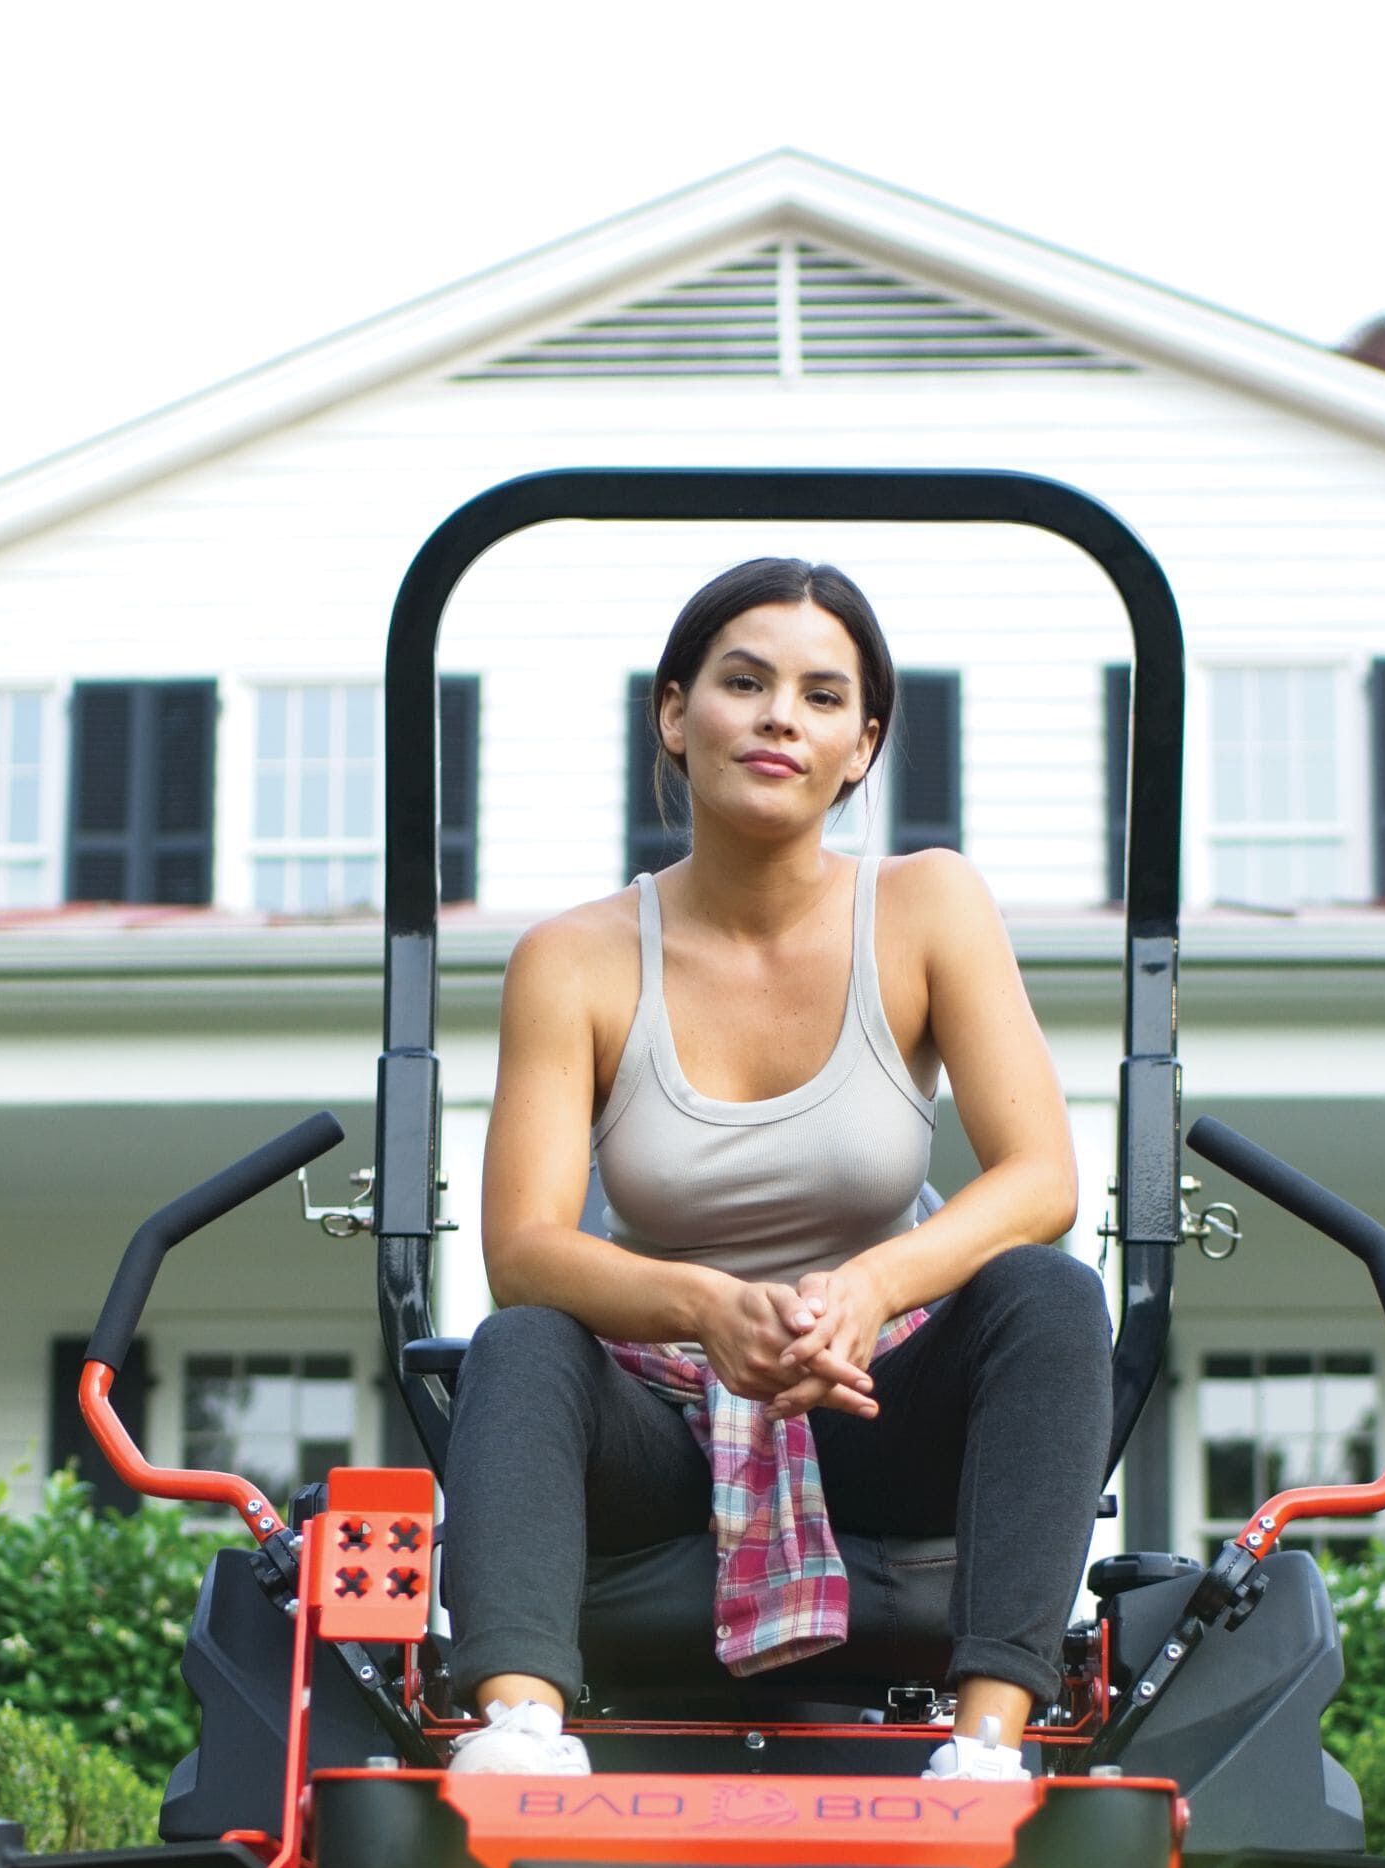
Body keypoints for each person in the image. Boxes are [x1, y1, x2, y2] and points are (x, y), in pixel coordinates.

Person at [441, 556, 1103, 1784]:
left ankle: (986, 1743)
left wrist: (874, 1287)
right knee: (523, 1341)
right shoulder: (572, 960)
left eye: (821, 696)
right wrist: (704, 1307)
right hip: (662, 1416)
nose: (780, 718)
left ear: (862, 745)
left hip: (876, 1398)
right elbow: (523, 1251)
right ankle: (522, 1729)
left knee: (1049, 1291)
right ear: (676, 713)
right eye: (744, 683)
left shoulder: (929, 907)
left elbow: (1042, 1178)